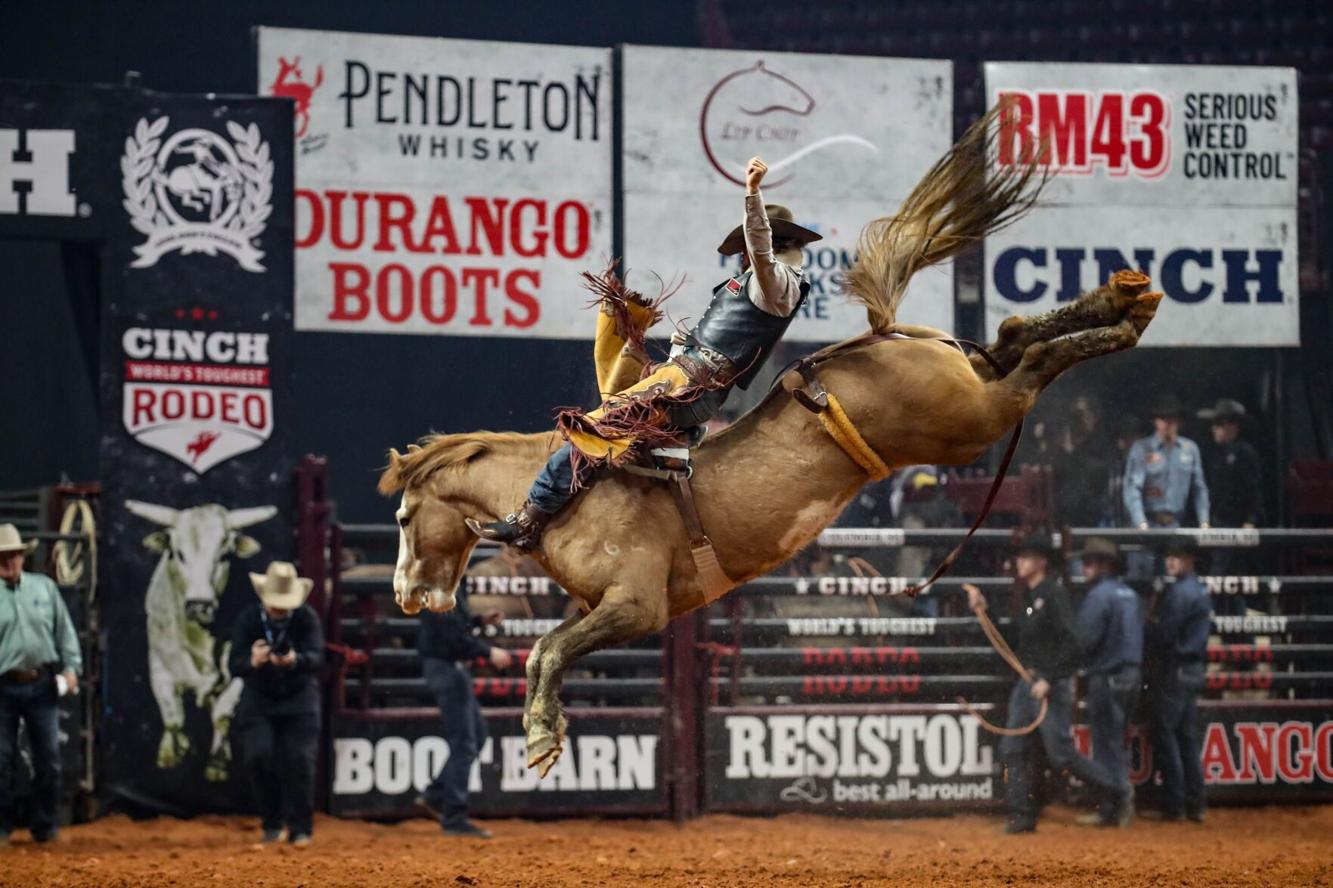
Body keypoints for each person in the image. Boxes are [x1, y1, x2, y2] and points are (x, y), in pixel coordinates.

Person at [469, 154, 822, 549]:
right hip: (689, 382)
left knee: (594, 431)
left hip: (690, 386)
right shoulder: (767, 286)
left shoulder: (776, 283)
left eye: (747, 245)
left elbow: (760, 251)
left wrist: (753, 195)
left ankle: (527, 519)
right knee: (614, 423)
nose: (743, 254)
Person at [964, 534, 1131, 834]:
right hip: (1029, 682)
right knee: (1013, 747)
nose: (1020, 562)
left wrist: (1050, 678)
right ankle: (1021, 815)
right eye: (1020, 557)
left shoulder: (1053, 595)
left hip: (1047, 683)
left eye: (1026, 557)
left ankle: (1116, 790)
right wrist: (983, 611)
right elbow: (1014, 637)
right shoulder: (1031, 597)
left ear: (1041, 563)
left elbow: (1072, 643)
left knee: (1060, 754)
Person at [228, 561, 324, 847]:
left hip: (299, 699)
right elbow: (234, 664)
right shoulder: (249, 620)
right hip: (260, 699)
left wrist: (297, 660)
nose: (279, 610)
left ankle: (301, 827)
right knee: (258, 756)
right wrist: (252, 661)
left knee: (300, 762)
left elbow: (317, 658)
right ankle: (272, 822)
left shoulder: (307, 618)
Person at [0, 524, 81, 846]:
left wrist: (72, 666)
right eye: (3, 556)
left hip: (42, 681)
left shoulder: (44, 588)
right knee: (0, 759)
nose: (10, 562)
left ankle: (45, 826)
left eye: (14, 555)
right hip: (2, 686)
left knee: (48, 758)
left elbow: (65, 632)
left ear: (23, 556)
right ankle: (2, 827)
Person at [415, 579, 512, 838]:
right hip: (447, 667)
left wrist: (480, 621)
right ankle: (454, 816)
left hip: (449, 667)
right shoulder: (440, 587)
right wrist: (487, 652)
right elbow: (453, 637)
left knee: (475, 736)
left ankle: (436, 796)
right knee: (466, 742)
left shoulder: (445, 584)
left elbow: (454, 628)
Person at [1071, 537, 1142, 827]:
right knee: (1116, 739)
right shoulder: (1129, 594)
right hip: (1130, 673)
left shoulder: (1099, 596)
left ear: (1105, 565)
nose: (1085, 567)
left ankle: (1117, 801)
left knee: (1105, 742)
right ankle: (1114, 804)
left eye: (1091, 562)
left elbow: (1085, 639)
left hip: (1107, 674)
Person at [1146, 536, 1211, 822]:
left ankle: (1175, 802)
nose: (1171, 561)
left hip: (1177, 667)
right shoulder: (1196, 589)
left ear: (1189, 559)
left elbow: (1165, 635)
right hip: (1193, 667)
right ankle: (1194, 801)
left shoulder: (1180, 593)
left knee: (1166, 732)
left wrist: (1151, 629)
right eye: (1169, 557)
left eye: (1177, 557)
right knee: (1185, 735)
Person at [1123, 394, 1211, 532]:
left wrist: (1204, 522)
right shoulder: (1141, 448)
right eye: (1162, 418)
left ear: (1179, 422)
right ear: (1155, 421)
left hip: (1175, 525)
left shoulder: (1190, 449)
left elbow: (1199, 488)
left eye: (1171, 418)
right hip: (1148, 522)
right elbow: (1133, 489)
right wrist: (1141, 522)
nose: (1167, 423)